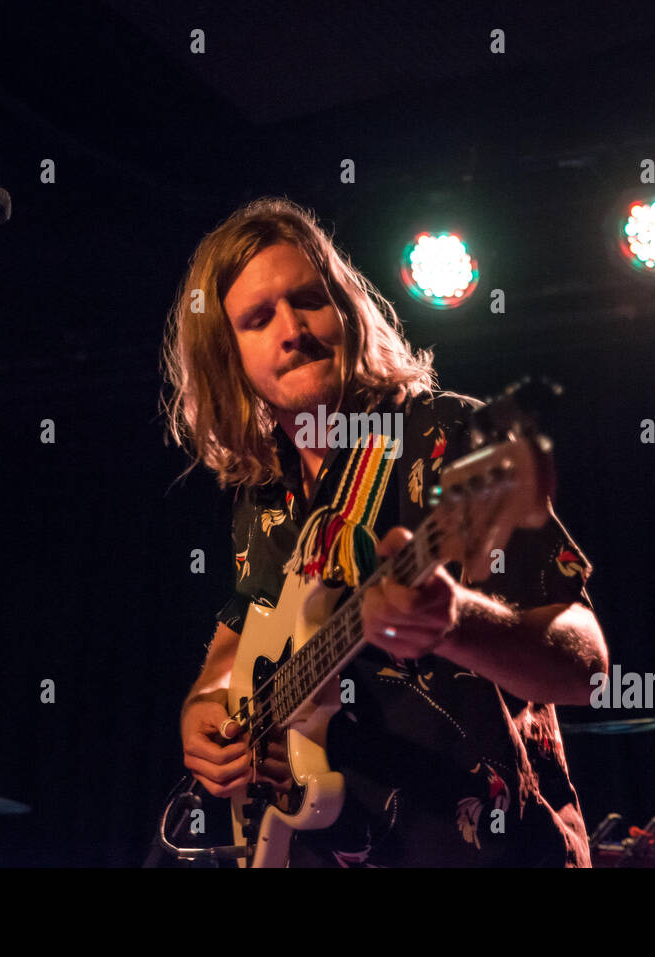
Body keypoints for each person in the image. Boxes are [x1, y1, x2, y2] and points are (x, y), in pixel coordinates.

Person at [160, 196, 607, 866]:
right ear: (230, 361)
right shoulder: (264, 496)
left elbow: (590, 668)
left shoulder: (450, 437)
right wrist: (203, 712)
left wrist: (454, 621)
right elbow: (234, 648)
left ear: (345, 310)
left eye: (308, 299)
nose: (293, 329)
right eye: (258, 319)